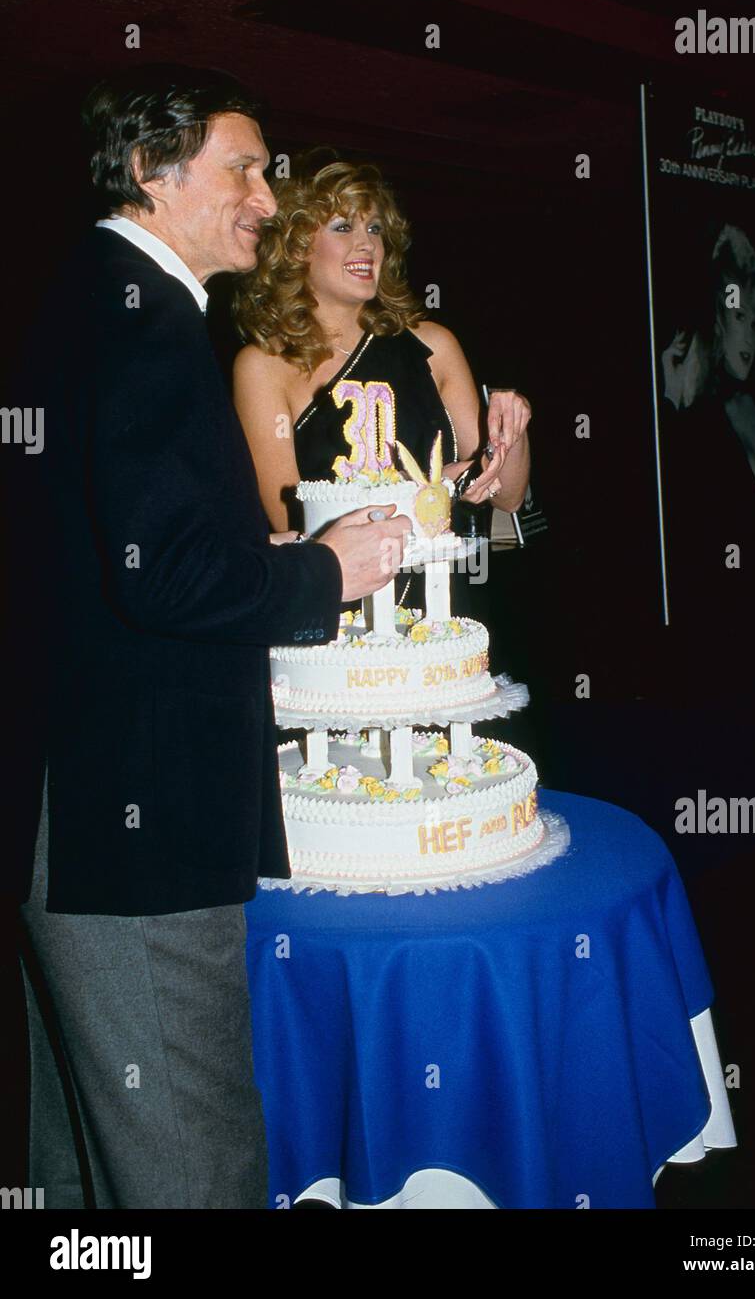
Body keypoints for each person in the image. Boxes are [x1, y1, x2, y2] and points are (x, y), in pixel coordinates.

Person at [13, 66, 409, 1209]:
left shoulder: (86, 296)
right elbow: (165, 571)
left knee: (87, 1154)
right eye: (242, 168)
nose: (267, 199)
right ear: (152, 172)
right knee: (193, 1156)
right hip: (130, 815)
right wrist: (326, 569)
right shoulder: (140, 317)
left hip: (74, 804)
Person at [231, 157, 532, 558]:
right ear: (296, 248)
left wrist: (511, 427)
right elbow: (297, 525)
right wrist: (433, 487)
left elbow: (507, 497)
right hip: (339, 598)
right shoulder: (263, 366)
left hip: (442, 598)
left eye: (374, 228)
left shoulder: (433, 346)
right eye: (343, 227)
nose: (367, 243)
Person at [659, 223, 755, 698]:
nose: (748, 331)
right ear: (717, 320)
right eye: (737, 315)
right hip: (720, 632)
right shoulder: (697, 421)